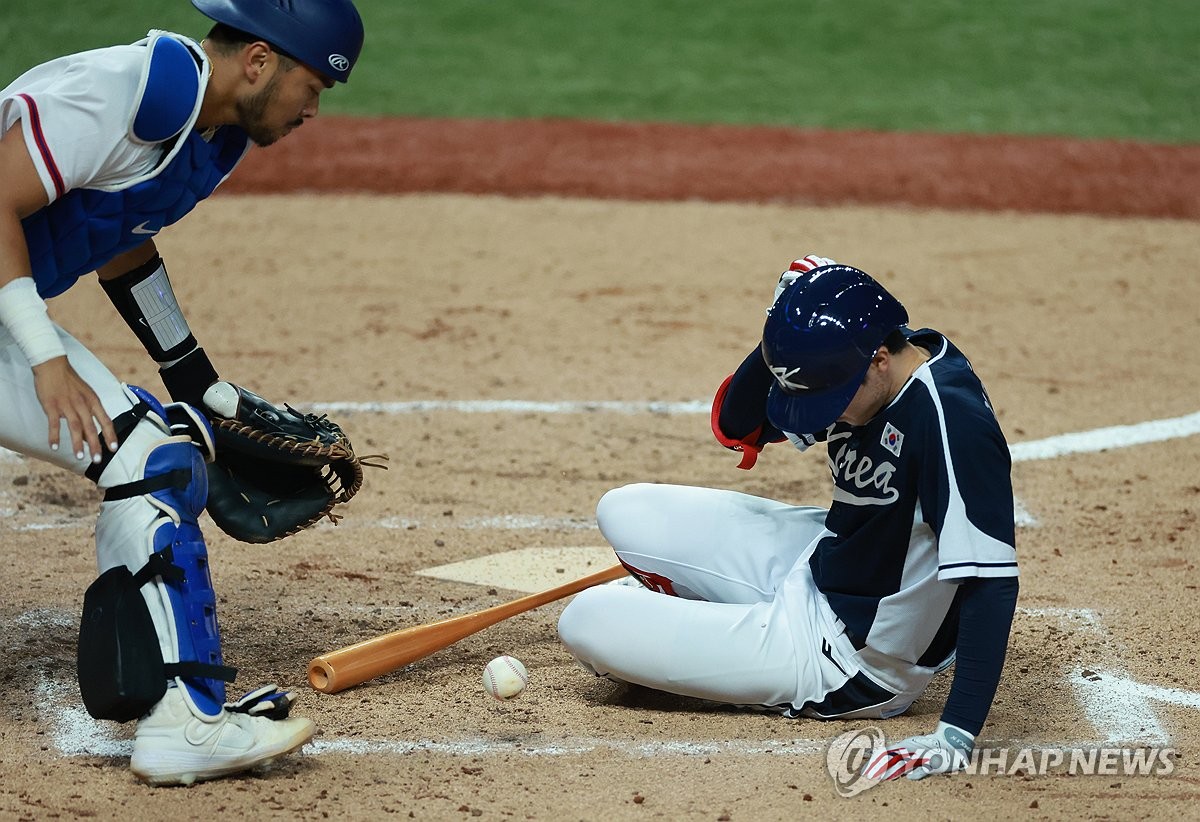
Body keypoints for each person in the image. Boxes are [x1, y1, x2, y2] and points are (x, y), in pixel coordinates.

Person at [0, 0, 363, 786]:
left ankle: (181, 708)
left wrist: (196, 378)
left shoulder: (211, 137)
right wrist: (41, 354)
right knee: (154, 460)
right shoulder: (123, 92)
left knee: (161, 449)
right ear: (259, 63)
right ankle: (183, 724)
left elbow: (121, 239)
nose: (313, 108)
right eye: (313, 84)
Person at [558, 255, 1019, 781]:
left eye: (833, 399)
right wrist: (783, 326)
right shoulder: (878, 356)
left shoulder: (953, 425)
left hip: (848, 657)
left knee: (586, 619)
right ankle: (705, 629)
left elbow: (991, 582)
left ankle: (719, 642)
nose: (829, 415)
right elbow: (739, 424)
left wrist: (956, 732)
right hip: (824, 560)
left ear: (878, 361)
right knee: (623, 510)